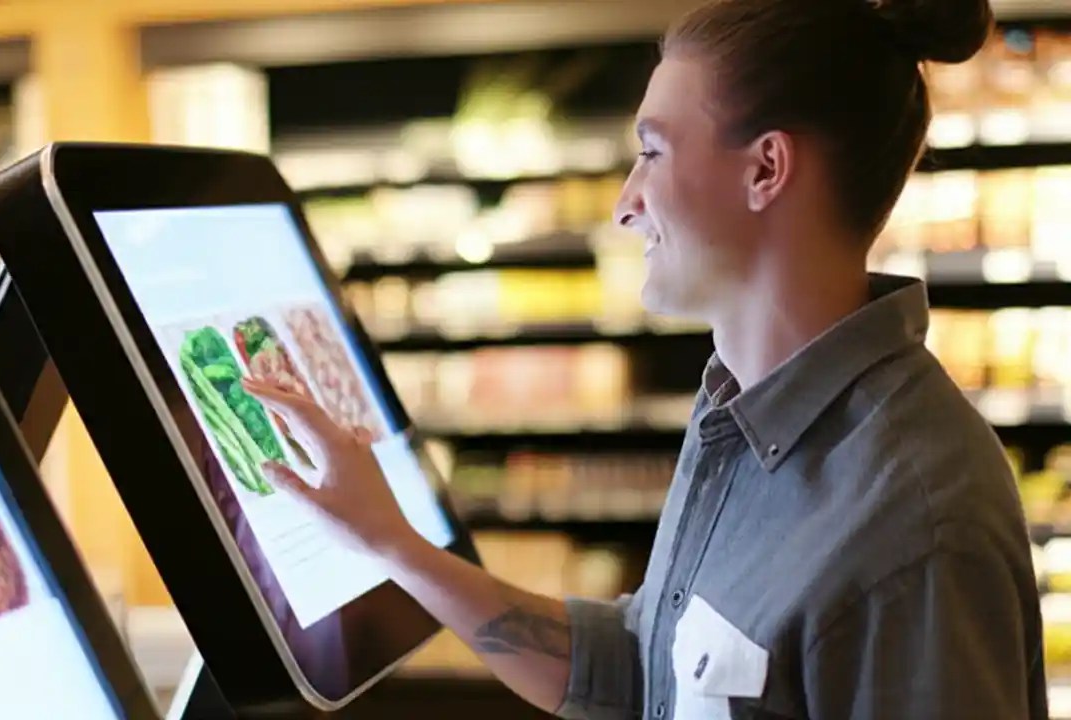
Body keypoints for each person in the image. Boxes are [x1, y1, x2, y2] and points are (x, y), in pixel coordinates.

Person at [244, 0, 1049, 716]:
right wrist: (392, 543)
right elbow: (641, 666)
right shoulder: (737, 418)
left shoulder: (918, 521)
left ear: (765, 168)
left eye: (652, 153)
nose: (627, 203)